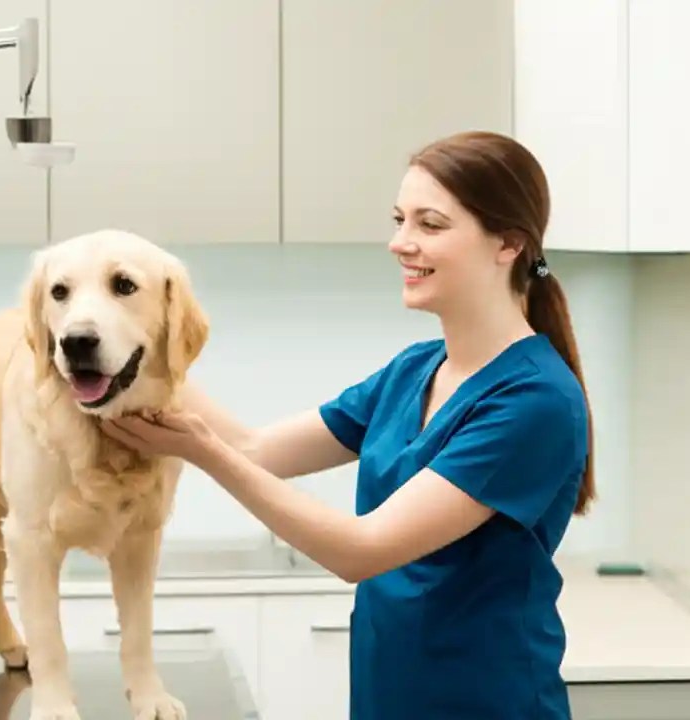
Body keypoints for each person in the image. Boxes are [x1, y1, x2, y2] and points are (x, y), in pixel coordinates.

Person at [102, 130, 595, 719]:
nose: (399, 243)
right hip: (388, 700)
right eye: (399, 219)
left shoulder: (532, 401)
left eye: (429, 225)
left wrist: (204, 453)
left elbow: (360, 551)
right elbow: (254, 448)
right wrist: (135, 341)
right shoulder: (413, 371)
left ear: (508, 244)